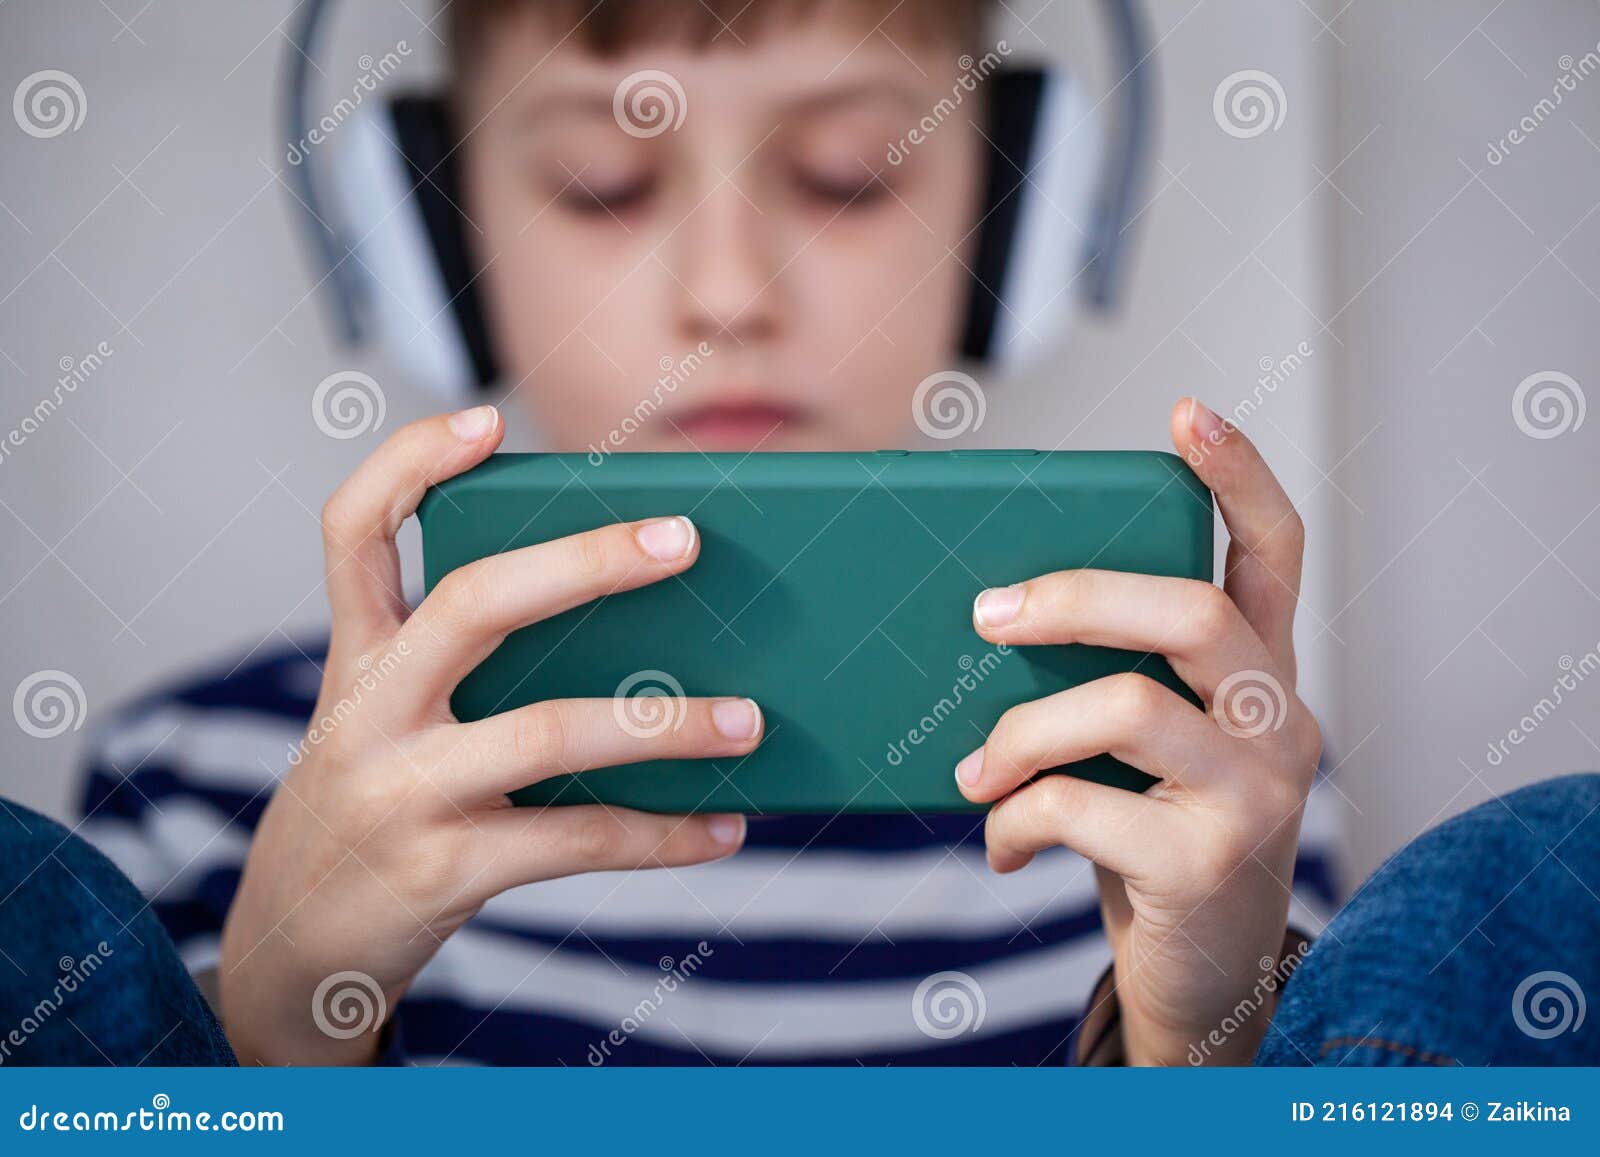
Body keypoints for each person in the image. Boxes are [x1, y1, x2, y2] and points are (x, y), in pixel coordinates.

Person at [61, 0, 1354, 1066]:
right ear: (436, 237)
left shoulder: (1189, 764)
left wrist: (1200, 1039)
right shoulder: (198, 781)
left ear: (1005, 226)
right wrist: (284, 1014)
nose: (729, 292)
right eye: (601, 183)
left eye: (848, 177)